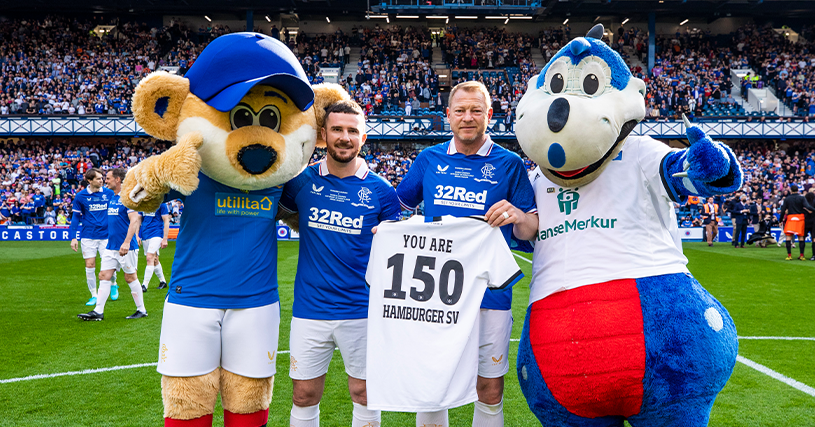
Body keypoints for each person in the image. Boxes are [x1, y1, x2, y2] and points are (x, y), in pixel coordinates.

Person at [396, 81, 538, 427]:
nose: (468, 117)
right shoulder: (429, 159)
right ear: (448, 116)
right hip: (434, 296)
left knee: (489, 387)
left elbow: (530, 229)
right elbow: (396, 207)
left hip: (490, 292)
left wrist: (519, 216)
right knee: (432, 384)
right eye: (460, 110)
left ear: (489, 115)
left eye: (476, 110)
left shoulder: (509, 164)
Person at [279, 100, 400, 427]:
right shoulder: (300, 182)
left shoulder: (382, 192)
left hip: (362, 311)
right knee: (303, 395)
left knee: (364, 392)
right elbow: (278, 210)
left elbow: (397, 251)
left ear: (363, 138)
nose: (344, 137)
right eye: (337, 130)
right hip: (310, 310)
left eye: (352, 131)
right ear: (323, 134)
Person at [78, 168, 147, 321]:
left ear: (117, 180)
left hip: (125, 247)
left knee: (130, 277)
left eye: (108, 178)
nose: (105, 181)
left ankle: (141, 310)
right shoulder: (113, 197)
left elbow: (134, 220)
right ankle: (98, 311)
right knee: (104, 275)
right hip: (111, 246)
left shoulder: (128, 197)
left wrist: (127, 242)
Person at [68, 168, 115, 306]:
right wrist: (73, 237)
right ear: (89, 180)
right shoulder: (80, 196)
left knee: (109, 264)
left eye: (102, 178)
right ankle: (94, 295)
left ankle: (113, 283)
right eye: (99, 178)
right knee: (90, 265)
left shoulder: (109, 193)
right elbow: (75, 218)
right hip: (88, 236)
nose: (102, 181)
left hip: (106, 235)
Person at [139, 202, 170, 291]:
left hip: (156, 234)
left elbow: (166, 220)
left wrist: (165, 238)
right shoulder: (143, 202)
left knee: (149, 257)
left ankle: (144, 285)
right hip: (145, 235)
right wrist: (137, 235)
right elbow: (139, 219)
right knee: (155, 259)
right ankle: (163, 282)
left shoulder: (161, 203)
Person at [780, 184, 814, 261]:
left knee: (788, 237)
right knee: (801, 237)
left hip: (791, 218)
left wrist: (780, 220)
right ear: (798, 190)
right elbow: (807, 206)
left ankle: (789, 255)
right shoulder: (801, 198)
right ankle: (801, 255)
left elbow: (783, 210)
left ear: (790, 190)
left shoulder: (787, 199)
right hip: (800, 218)